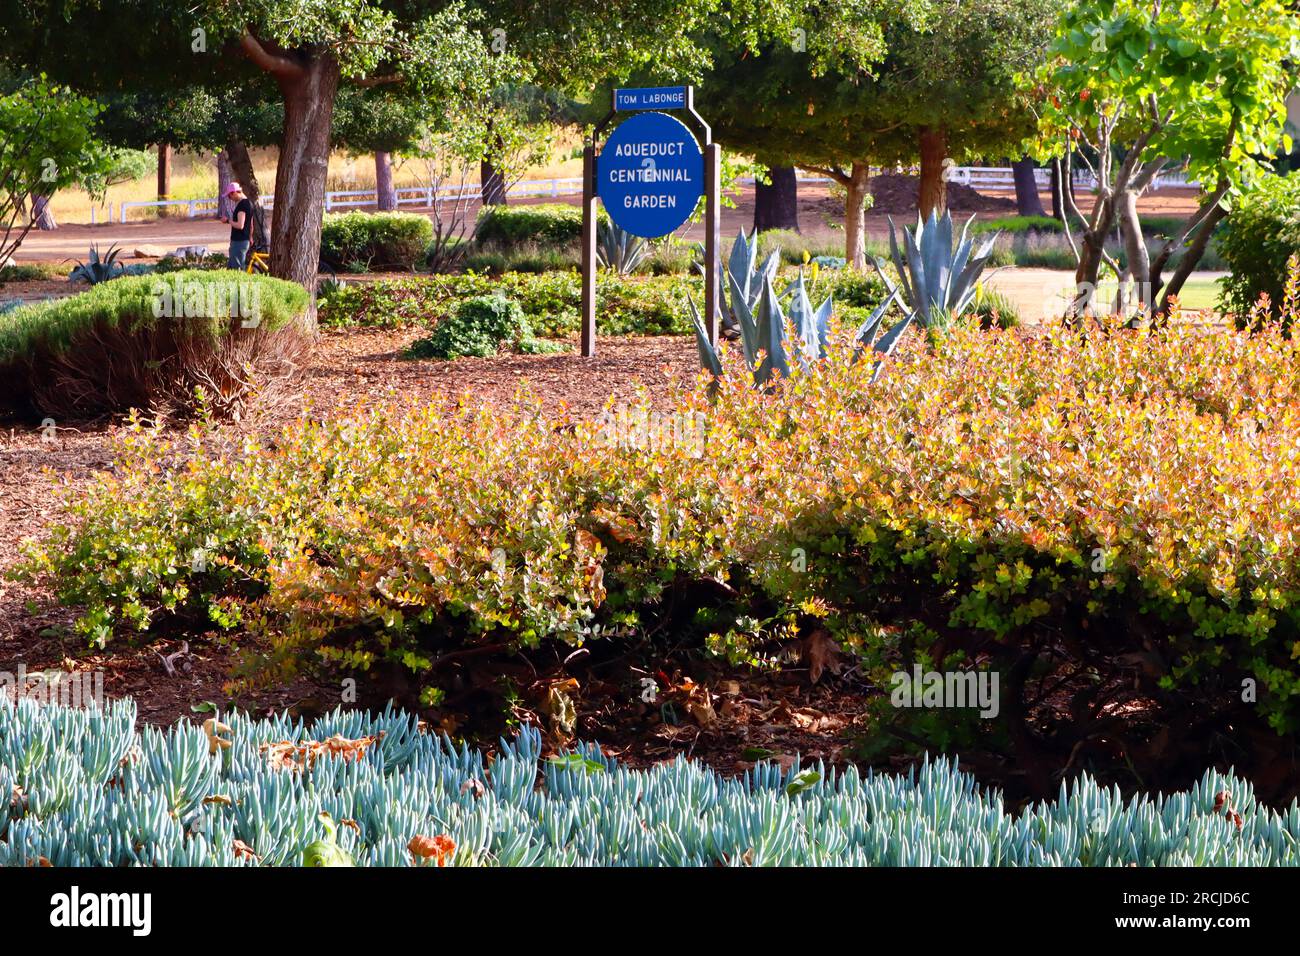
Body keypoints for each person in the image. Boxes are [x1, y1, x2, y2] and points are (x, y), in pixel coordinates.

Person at [221, 183, 254, 270]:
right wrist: (250, 236)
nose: (230, 198)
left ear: (234, 192)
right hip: (244, 240)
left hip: (239, 241)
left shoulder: (242, 205)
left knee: (236, 270)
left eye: (229, 196)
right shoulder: (248, 203)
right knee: (231, 269)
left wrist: (228, 221)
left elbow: (240, 225)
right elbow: (251, 224)